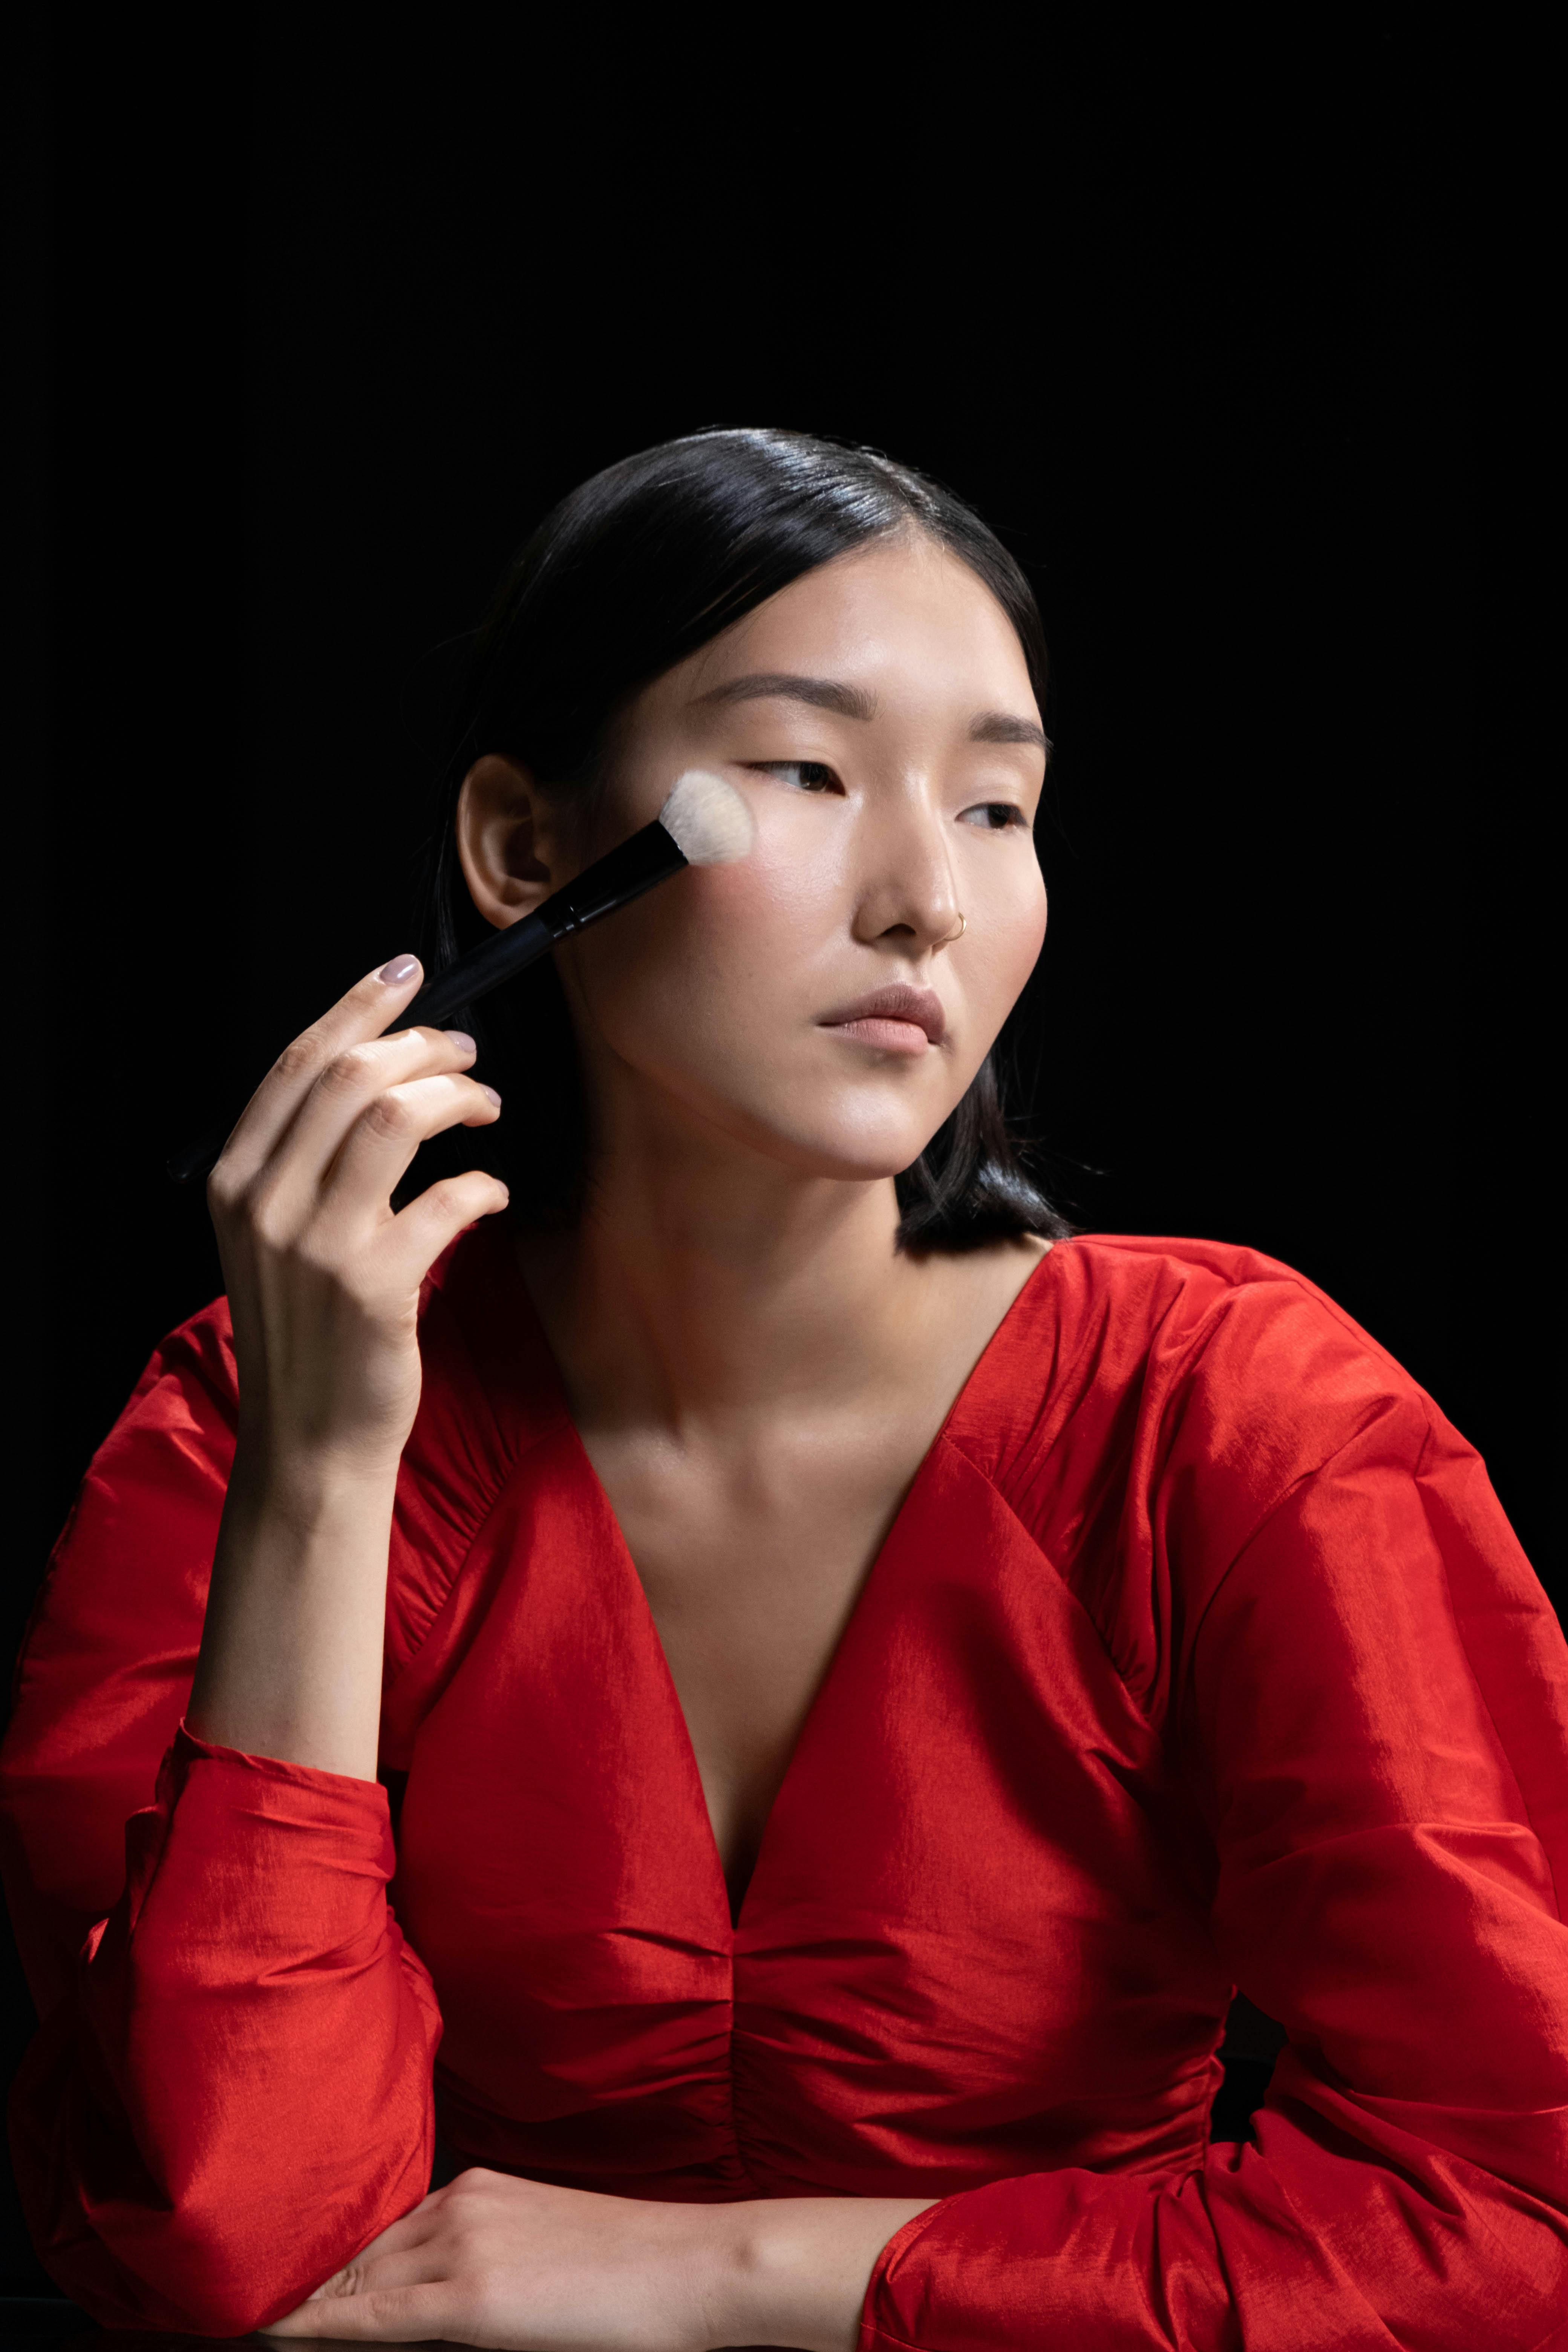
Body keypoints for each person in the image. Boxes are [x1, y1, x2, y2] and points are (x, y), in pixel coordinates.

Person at [2, 429, 1564, 2350]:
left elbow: (1506, 2213)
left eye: (998, 807)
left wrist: (732, 2272)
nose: (925, 897)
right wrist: (324, 1480)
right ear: (525, 848)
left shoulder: (1235, 1421)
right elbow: (222, 2248)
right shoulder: (261, 1415)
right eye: (806, 772)